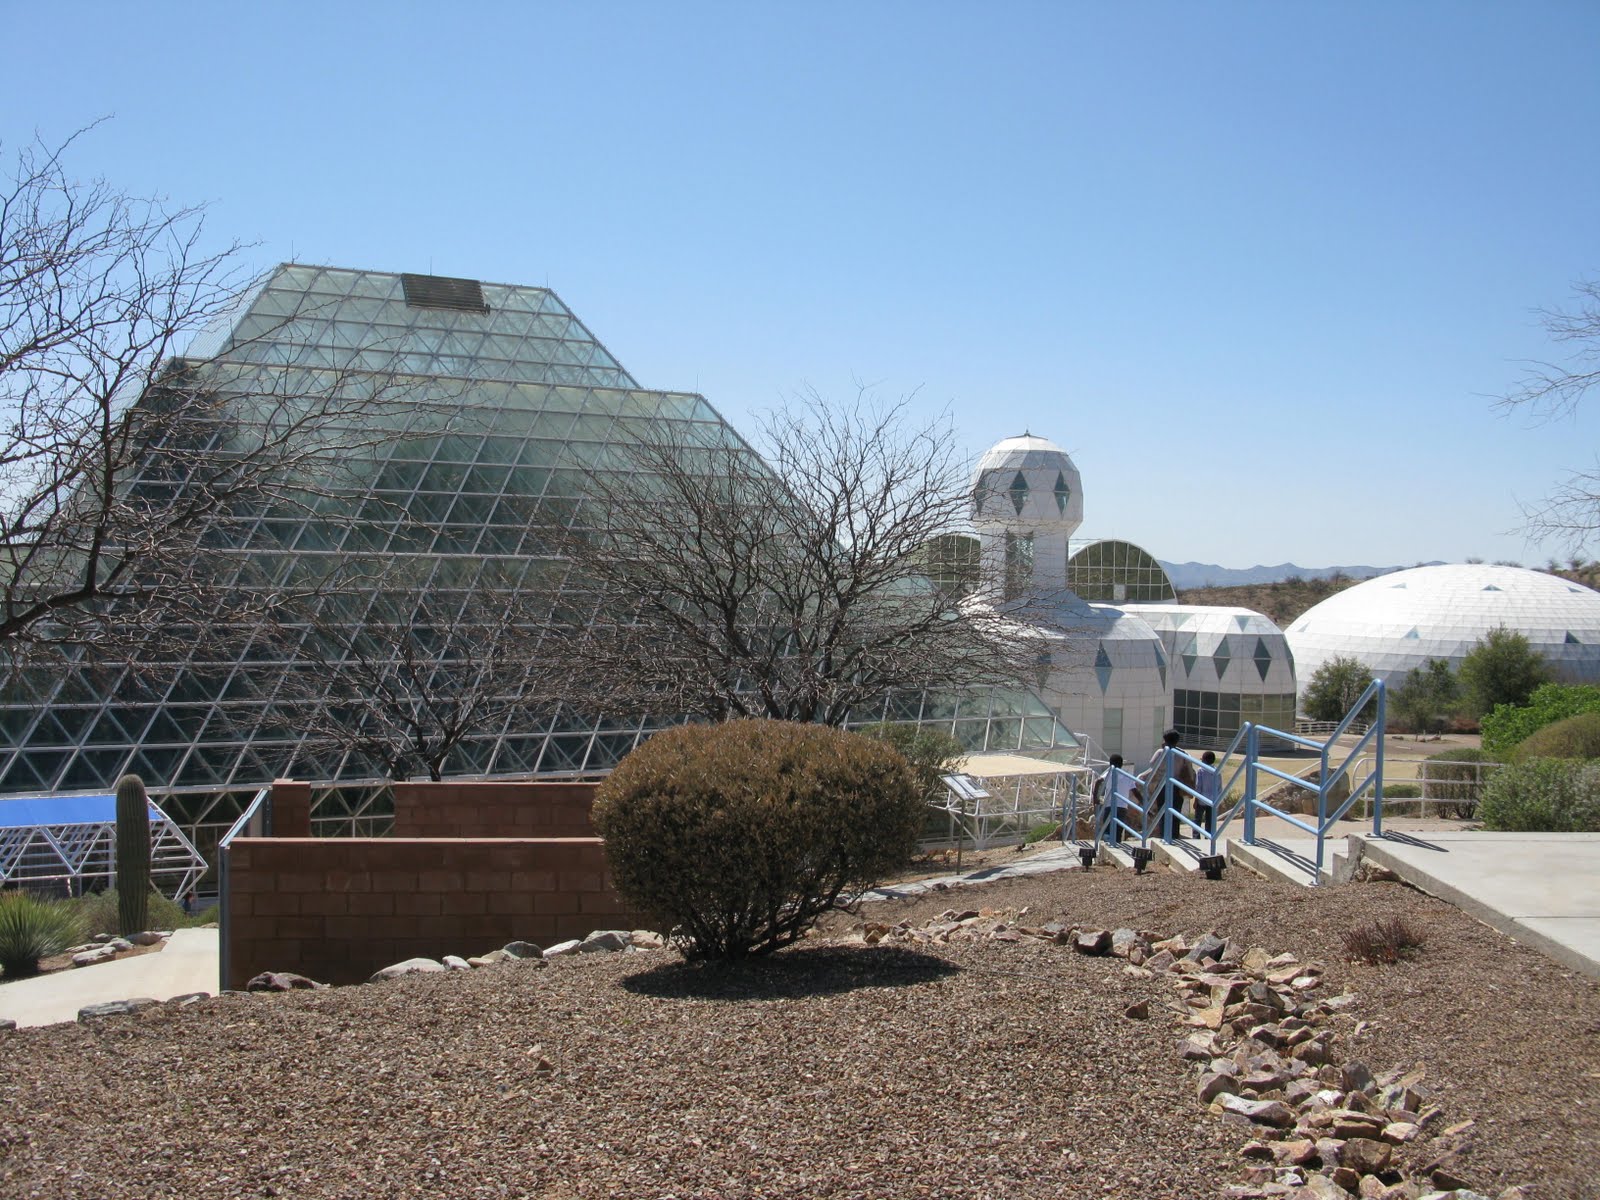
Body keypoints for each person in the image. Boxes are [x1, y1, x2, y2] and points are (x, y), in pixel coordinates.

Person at [1145, 729, 1198, 837]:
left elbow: (1152, 765)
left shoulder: (1160, 752)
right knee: (1176, 812)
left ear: (1165, 739)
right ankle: (1174, 835)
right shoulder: (1182, 753)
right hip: (1177, 786)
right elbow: (1189, 770)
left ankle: (1164, 835)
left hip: (1162, 786)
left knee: (1162, 811)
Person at [1093, 754, 1141, 844]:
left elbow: (1098, 781)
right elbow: (1136, 792)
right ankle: (1116, 845)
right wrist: (1143, 803)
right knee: (1118, 830)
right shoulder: (1127, 776)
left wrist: (1095, 798)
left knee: (1107, 829)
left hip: (1110, 805)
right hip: (1122, 807)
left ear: (1110, 764)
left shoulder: (1109, 773)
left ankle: (1108, 845)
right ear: (1122, 764)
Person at [1194, 750, 1222, 837]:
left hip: (1201, 799)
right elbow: (1219, 787)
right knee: (1210, 821)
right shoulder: (1217, 771)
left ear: (1203, 760)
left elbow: (1198, 786)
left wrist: (1196, 800)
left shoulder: (1200, 770)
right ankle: (1209, 836)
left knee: (1197, 819)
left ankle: (1196, 836)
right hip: (1212, 800)